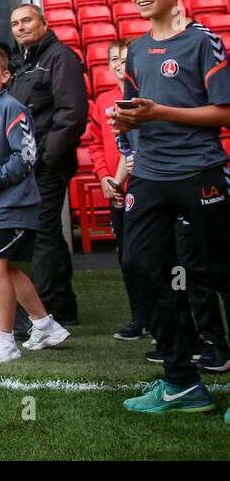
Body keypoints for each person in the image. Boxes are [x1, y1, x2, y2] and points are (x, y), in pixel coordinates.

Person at [112, 0, 230, 414]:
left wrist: (160, 112)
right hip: (151, 174)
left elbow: (224, 114)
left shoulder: (205, 42)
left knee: (222, 274)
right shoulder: (137, 49)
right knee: (141, 269)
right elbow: (135, 111)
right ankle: (181, 382)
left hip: (200, 171)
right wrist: (126, 122)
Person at [0, 46, 71, 363]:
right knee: (3, 265)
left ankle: (5, 340)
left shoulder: (12, 108)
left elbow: (27, 156)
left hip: (16, 203)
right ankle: (45, 325)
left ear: (6, 76)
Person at [6, 4, 87, 330]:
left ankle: (42, 314)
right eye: (15, 23)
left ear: (43, 22)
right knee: (48, 232)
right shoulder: (21, 63)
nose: (21, 27)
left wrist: (47, 157)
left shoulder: (60, 57)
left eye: (27, 20)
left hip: (47, 164)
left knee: (41, 234)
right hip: (27, 166)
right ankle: (63, 308)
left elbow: (72, 113)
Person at [89, 39, 148, 341]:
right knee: (127, 257)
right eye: (114, 58)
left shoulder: (148, 96)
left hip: (148, 187)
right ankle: (139, 317)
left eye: (125, 58)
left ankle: (163, 318)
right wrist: (104, 177)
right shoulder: (102, 102)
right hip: (117, 190)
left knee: (152, 257)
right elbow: (96, 144)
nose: (119, 64)